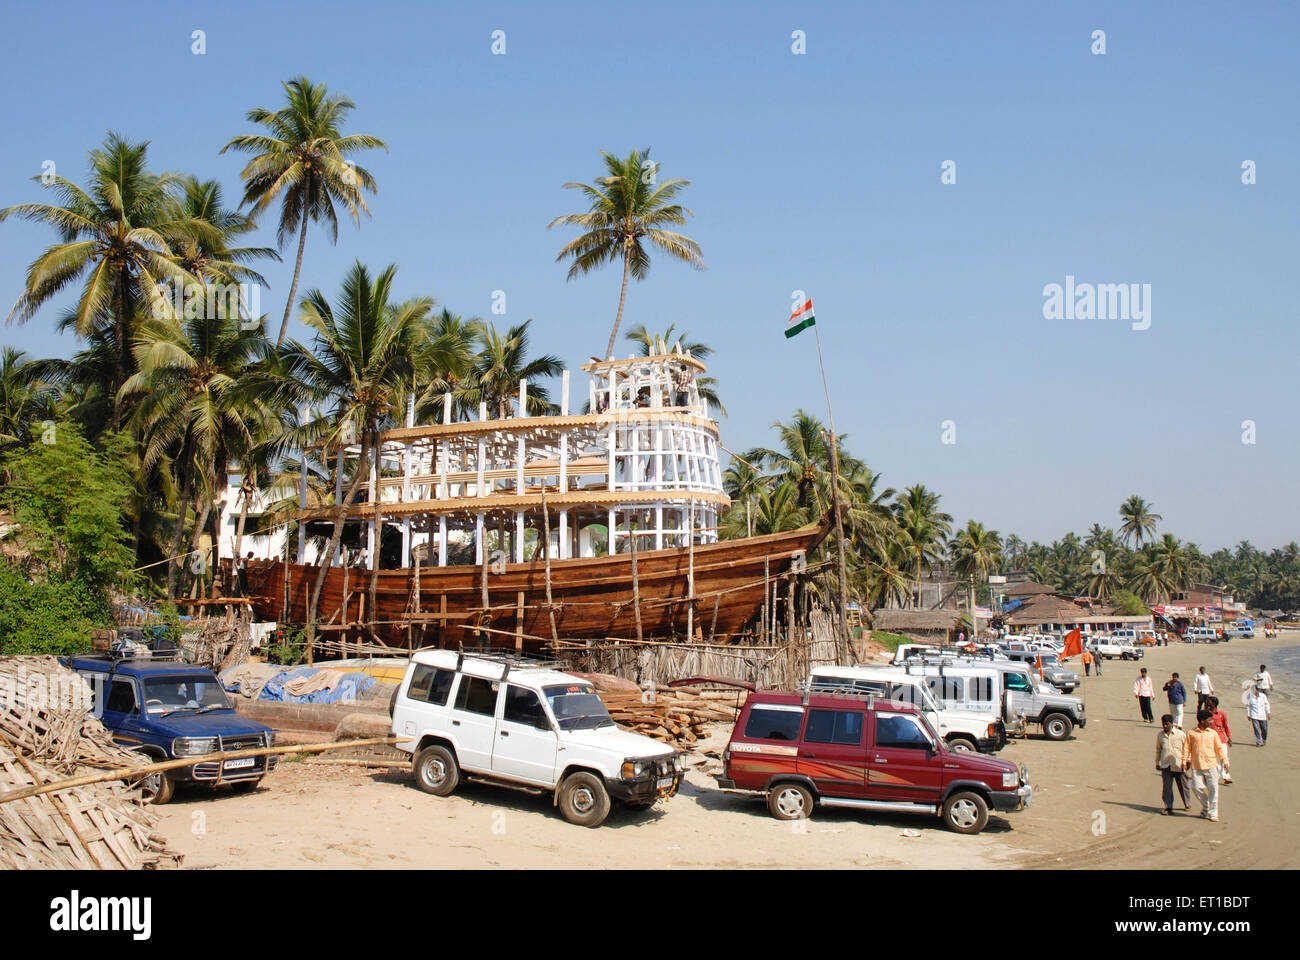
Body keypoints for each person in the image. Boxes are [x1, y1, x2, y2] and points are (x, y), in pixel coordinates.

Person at [1182, 709, 1227, 822]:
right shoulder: (1191, 733)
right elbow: (1187, 748)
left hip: (1211, 765)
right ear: (1202, 721)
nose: (1211, 722)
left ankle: (1213, 813)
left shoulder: (1213, 733)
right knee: (1196, 788)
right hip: (1196, 766)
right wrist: (1184, 761)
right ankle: (1206, 805)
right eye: (1209, 720)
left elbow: (1219, 748)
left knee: (1213, 790)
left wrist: (1225, 760)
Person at [1155, 714, 1190, 814]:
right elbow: (1158, 749)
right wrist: (1157, 762)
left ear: (1172, 723)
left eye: (1167, 724)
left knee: (1183, 785)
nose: (1165, 726)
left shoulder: (1180, 734)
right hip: (1166, 764)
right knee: (1167, 787)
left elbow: (1187, 748)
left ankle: (1187, 803)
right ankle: (1168, 807)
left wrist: (1187, 761)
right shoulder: (1160, 735)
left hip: (1179, 764)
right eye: (1163, 724)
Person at [1208, 696, 1232, 784]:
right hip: (1210, 740)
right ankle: (1216, 775)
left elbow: (1226, 726)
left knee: (1224, 757)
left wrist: (1229, 737)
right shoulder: (1206, 714)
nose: (1207, 702)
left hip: (1221, 739)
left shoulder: (1222, 714)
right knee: (1214, 759)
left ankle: (1226, 776)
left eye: (1209, 701)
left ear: (1213, 703)